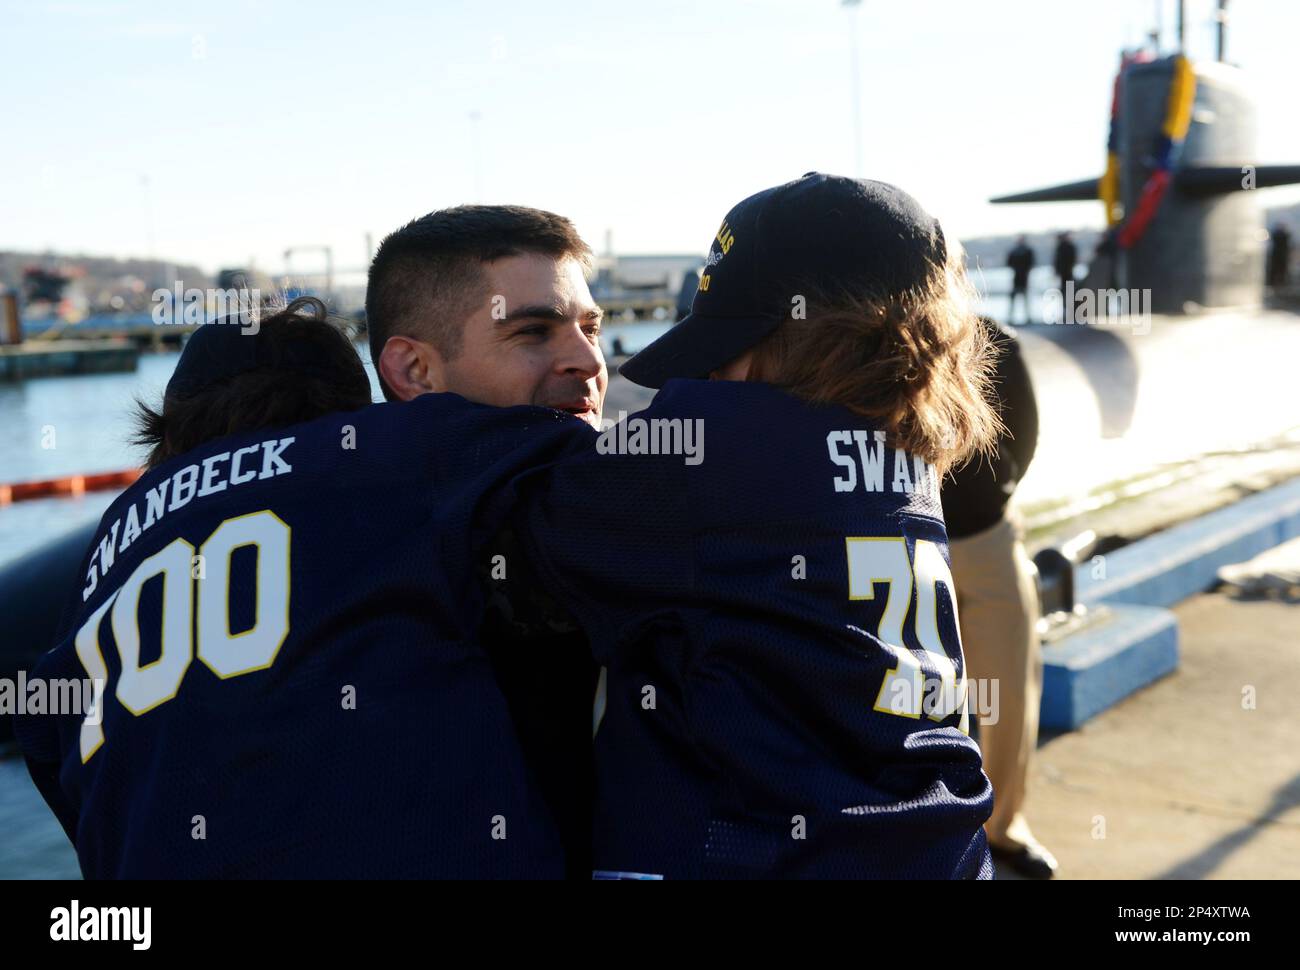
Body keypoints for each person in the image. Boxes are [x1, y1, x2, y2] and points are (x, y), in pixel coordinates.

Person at [511, 173, 1002, 878]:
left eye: (725, 347)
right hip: (941, 849)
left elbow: (513, 529)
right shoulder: (908, 459)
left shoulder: (715, 441)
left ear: (798, 337)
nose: (709, 377)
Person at [14, 296, 588, 877]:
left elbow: (43, 731)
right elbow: (595, 462)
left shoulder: (116, 534)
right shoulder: (391, 447)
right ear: (347, 408)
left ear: (168, 428)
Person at [941, 317, 1057, 879]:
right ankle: (931, 829)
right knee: (912, 698)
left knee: (1009, 688)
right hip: (907, 544)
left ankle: (1004, 827)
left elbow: (1025, 430)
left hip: (987, 536)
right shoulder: (873, 339)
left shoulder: (992, 339)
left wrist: (998, 486)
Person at [1007, 235, 1035, 325]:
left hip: (1022, 277)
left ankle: (1026, 317)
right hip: (1019, 278)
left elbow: (1009, 263)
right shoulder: (1018, 251)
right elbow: (1009, 263)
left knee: (1024, 298)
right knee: (1018, 298)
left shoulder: (1018, 251)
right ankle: (1013, 317)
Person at [1053, 231, 1077, 301]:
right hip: (1065, 271)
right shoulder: (1063, 247)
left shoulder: (1063, 247)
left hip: (1067, 271)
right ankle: (1066, 303)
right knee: (1066, 288)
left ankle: (1067, 303)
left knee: (1067, 288)